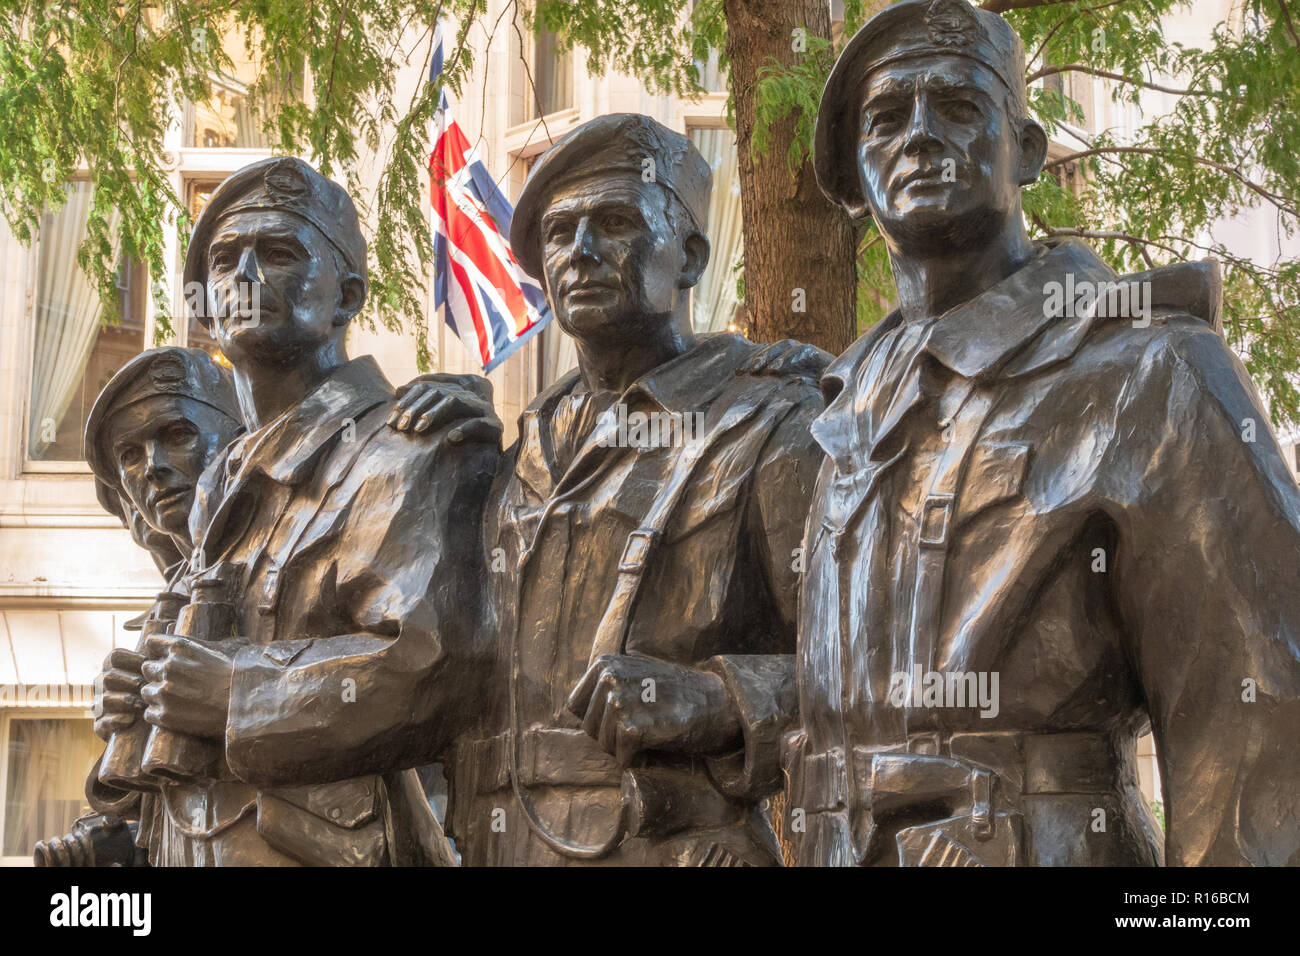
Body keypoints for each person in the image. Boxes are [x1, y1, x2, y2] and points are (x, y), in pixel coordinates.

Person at [787, 0, 1300, 866]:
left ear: (1026, 151)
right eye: (886, 119)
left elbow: (1255, 725)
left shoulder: (1148, 369)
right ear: (858, 172)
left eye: (957, 107)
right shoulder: (844, 411)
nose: (917, 136)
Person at [393, 114, 827, 865]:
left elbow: (862, 665)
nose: (580, 252)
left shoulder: (768, 422)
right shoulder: (511, 455)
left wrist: (716, 700)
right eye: (559, 233)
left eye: (615, 222)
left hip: (673, 843)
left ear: (691, 256)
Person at [135, 156, 498, 865]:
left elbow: (431, 665)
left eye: (276, 254)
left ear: (346, 296)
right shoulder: (220, 482)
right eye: (224, 261)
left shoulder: (412, 450)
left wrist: (240, 691)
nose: (243, 278)